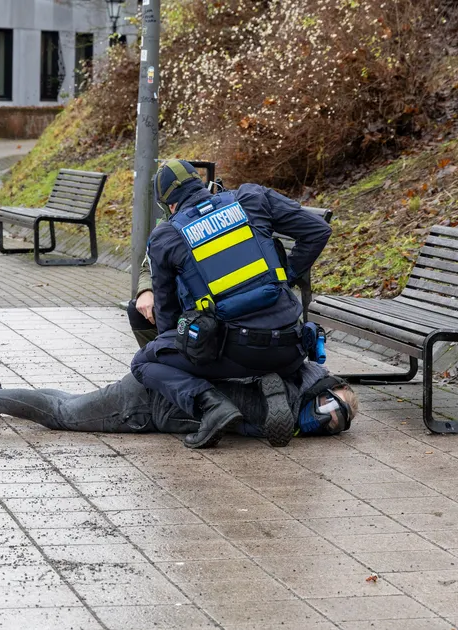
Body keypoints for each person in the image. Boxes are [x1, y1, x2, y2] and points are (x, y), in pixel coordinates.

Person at [132, 160, 332, 449]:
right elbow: (317, 231)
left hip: (235, 351)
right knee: (265, 353)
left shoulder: (167, 236)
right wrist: (283, 278)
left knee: (144, 363)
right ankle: (274, 383)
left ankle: (211, 406)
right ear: (201, 183)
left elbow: (168, 318)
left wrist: (170, 358)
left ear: (170, 206)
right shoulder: (252, 198)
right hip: (291, 347)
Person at [0, 363, 357, 443]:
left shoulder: (293, 374)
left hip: (158, 393)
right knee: (62, 415)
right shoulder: (286, 401)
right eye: (333, 415)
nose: (331, 423)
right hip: (150, 405)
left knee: (69, 404)